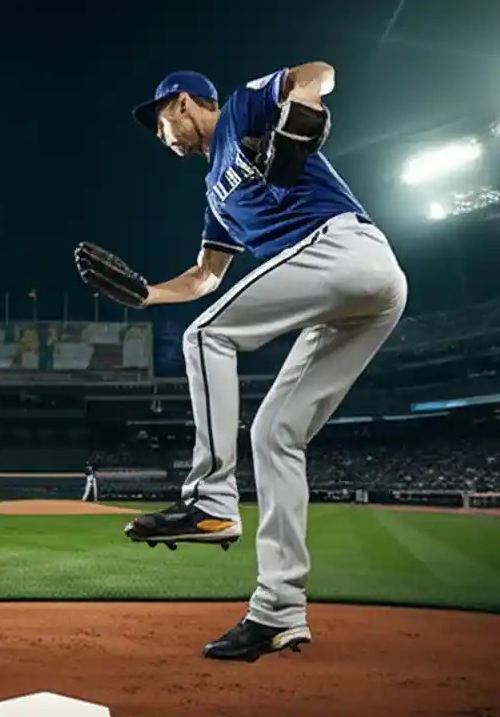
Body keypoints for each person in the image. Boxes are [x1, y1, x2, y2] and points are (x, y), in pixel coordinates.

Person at [78, 65, 406, 661]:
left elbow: (318, 73)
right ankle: (278, 611)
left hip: (345, 249)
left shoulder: (236, 111)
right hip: (353, 291)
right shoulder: (215, 197)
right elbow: (205, 276)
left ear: (181, 104)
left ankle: (210, 499)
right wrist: (148, 292)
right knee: (275, 432)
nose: (160, 136)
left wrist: (303, 105)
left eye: (158, 123)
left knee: (205, 339)